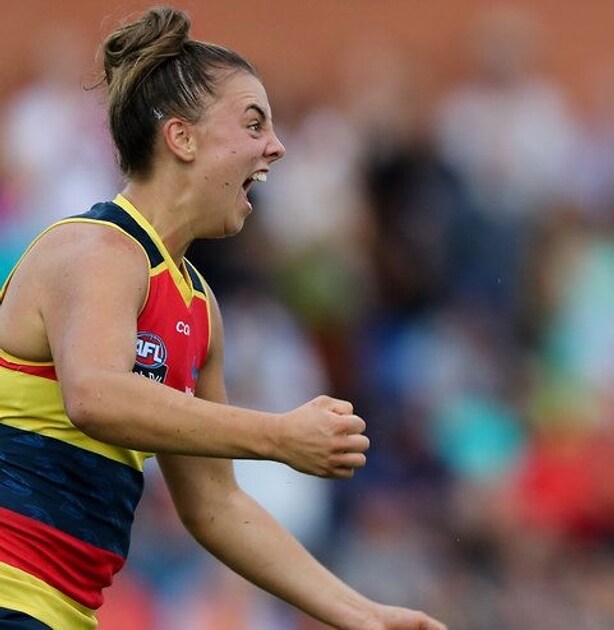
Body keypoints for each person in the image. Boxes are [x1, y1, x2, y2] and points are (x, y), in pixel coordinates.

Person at [0, 7, 445, 630]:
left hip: (56, 612)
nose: (276, 146)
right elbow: (95, 395)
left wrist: (362, 613)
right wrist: (278, 436)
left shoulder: (196, 305)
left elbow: (215, 504)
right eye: (254, 122)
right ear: (181, 138)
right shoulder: (97, 249)